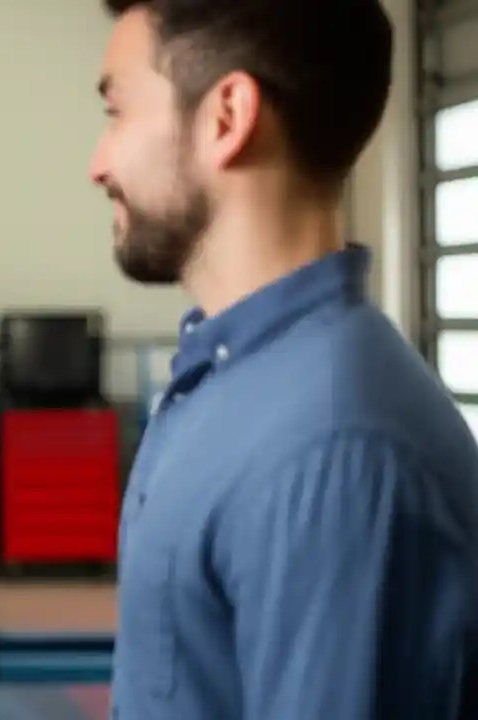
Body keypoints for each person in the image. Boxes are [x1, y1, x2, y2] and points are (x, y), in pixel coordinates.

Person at [90, 1, 478, 718]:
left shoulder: (335, 445)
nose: (98, 164)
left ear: (227, 116)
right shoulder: (231, 377)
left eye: (117, 113)